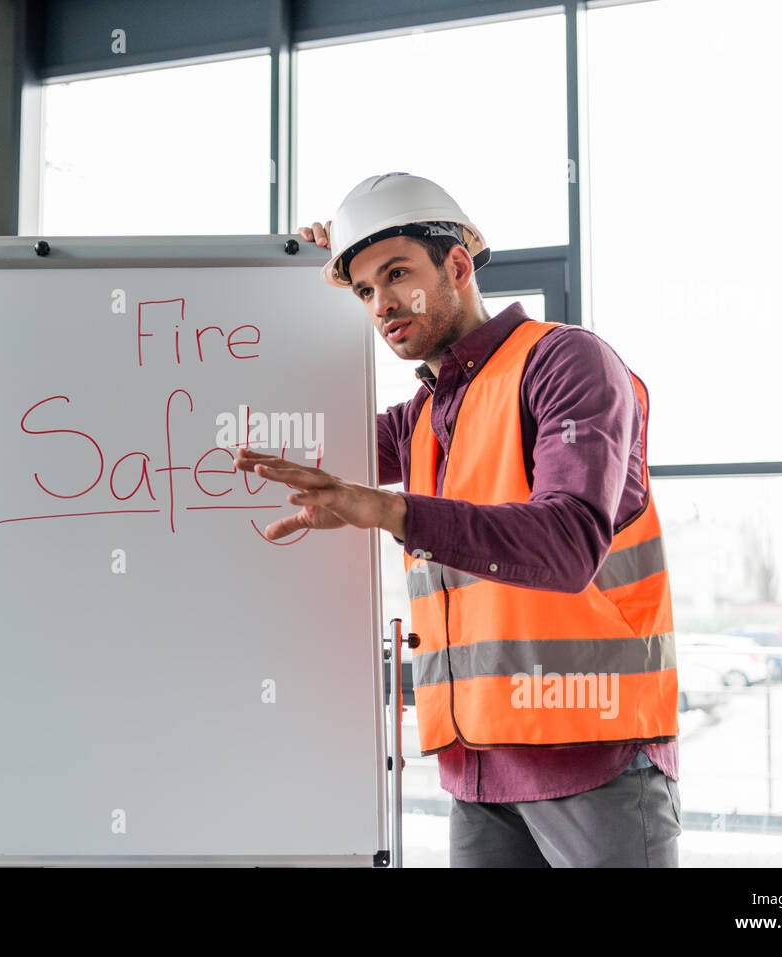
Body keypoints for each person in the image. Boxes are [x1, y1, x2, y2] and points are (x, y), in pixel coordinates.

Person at [232, 172, 681, 867]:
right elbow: (287, 434)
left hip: (595, 758)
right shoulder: (423, 416)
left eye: (397, 273)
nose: (381, 304)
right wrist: (297, 277)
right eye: (363, 290)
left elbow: (568, 543)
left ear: (459, 265)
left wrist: (383, 508)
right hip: (476, 767)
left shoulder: (564, 361)